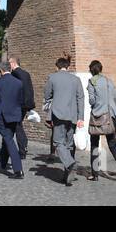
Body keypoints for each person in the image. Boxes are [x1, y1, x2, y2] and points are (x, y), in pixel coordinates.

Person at [42, 56, 85, 186]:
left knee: (58, 142)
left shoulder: (52, 77)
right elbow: (81, 98)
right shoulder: (76, 79)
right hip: (72, 116)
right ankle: (67, 177)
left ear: (57, 66)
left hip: (58, 115)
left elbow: (47, 95)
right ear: (68, 66)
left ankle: (70, 164)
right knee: (69, 145)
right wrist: (81, 117)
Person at [86, 59, 116, 183]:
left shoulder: (91, 82)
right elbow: (114, 101)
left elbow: (92, 101)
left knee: (94, 145)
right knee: (112, 146)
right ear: (101, 69)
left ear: (91, 70)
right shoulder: (109, 81)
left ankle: (95, 174)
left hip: (97, 118)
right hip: (110, 118)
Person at [0, 58, 25, 179]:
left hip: (3, 116)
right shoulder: (18, 82)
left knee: (9, 141)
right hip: (15, 115)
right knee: (7, 139)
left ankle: (18, 170)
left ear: (1, 70)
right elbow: (21, 100)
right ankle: (2, 165)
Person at [8, 55, 35, 159]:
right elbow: (30, 89)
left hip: (18, 104)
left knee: (17, 126)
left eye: (9, 63)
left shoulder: (14, 74)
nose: (9, 65)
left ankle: (22, 149)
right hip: (26, 104)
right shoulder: (26, 74)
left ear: (14, 63)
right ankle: (23, 145)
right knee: (19, 125)